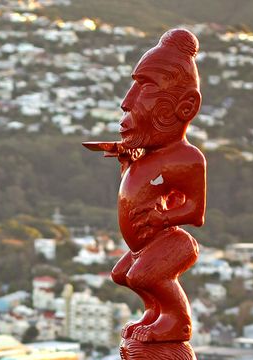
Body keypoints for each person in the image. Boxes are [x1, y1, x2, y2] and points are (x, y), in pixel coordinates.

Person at [88, 28, 206, 343]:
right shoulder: (147, 158)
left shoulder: (186, 157)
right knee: (122, 275)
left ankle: (177, 321)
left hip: (170, 240)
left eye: (146, 87)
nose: (127, 103)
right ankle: (155, 314)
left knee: (142, 275)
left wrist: (162, 218)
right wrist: (126, 160)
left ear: (185, 107)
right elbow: (135, 191)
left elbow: (195, 212)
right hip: (144, 245)